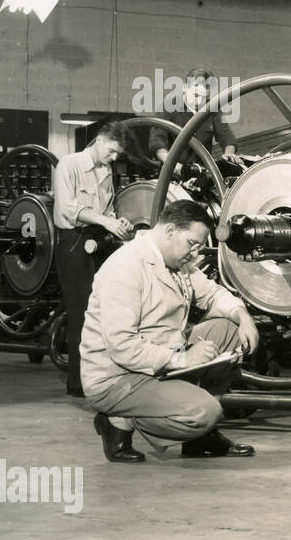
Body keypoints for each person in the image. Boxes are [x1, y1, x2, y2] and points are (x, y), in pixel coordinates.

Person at [80, 200, 260, 463]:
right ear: (170, 231)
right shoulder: (125, 267)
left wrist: (243, 317)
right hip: (119, 377)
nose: (194, 253)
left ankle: (198, 437)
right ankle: (119, 421)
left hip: (161, 362)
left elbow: (212, 294)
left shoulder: (177, 262)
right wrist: (184, 359)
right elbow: (122, 346)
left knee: (229, 330)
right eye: (192, 243)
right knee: (205, 412)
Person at [52, 120, 134, 397]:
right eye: (111, 151)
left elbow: (107, 208)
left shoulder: (106, 170)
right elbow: (67, 208)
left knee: (101, 311)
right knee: (80, 313)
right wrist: (104, 221)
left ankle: (99, 379)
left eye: (117, 155)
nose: (113, 158)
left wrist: (116, 221)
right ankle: (78, 383)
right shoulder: (69, 164)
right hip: (74, 242)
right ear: (99, 140)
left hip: (98, 240)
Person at [148, 69, 240, 166]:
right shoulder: (167, 108)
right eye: (196, 95)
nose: (200, 101)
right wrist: (172, 165)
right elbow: (158, 143)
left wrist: (229, 153)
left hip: (201, 171)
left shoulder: (213, 110)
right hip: (171, 173)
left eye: (204, 97)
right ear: (184, 87)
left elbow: (227, 137)